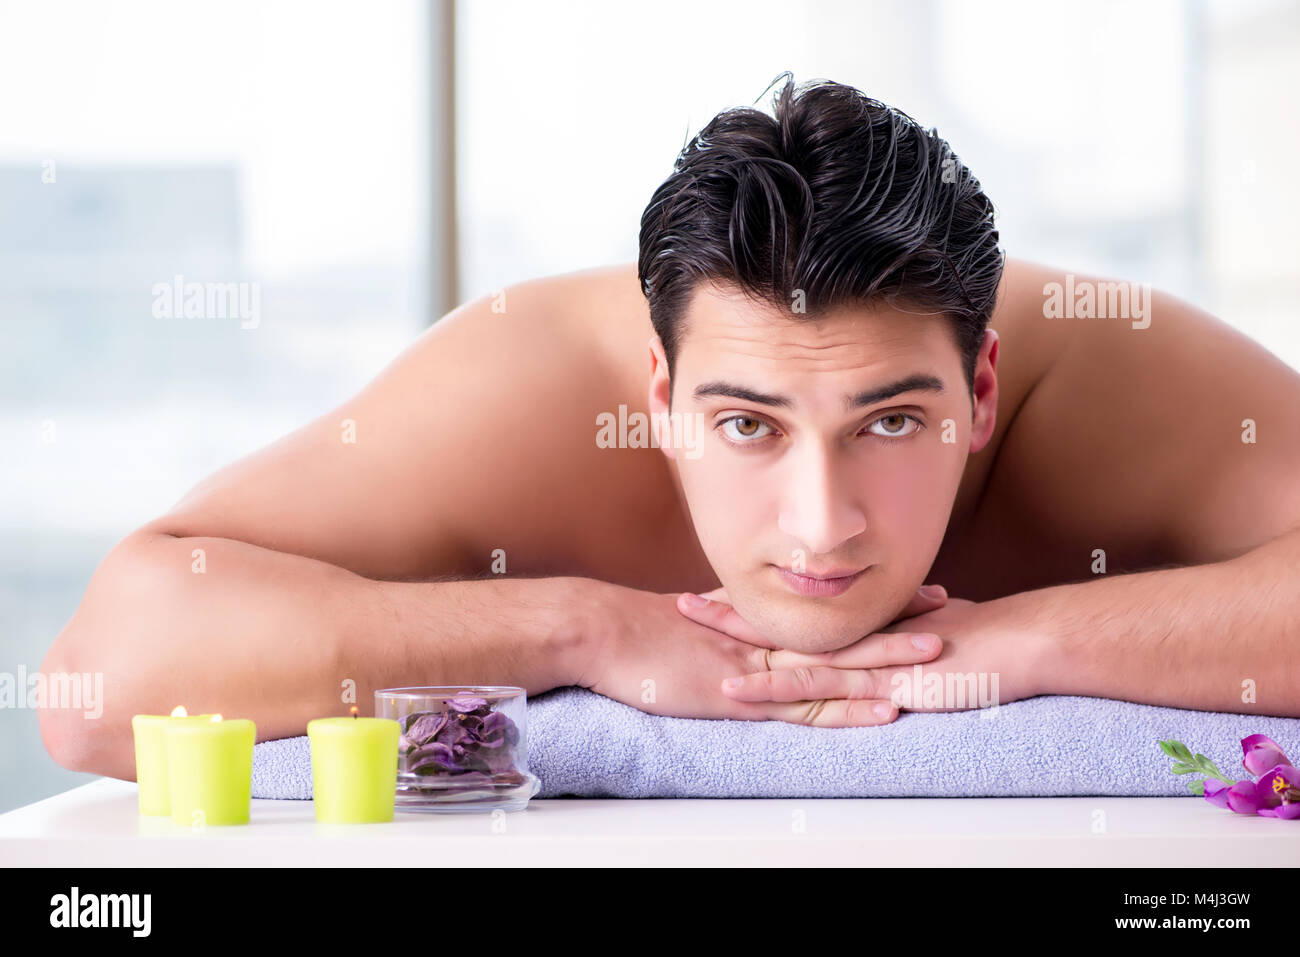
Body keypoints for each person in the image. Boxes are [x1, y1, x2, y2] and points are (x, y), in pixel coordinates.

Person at [41, 76, 1300, 781]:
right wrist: (580, 625)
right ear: (654, 395)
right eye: (748, 426)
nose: (823, 523)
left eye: (891, 420)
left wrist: (1023, 642)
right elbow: (103, 682)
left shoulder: (1107, 368)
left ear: (978, 389)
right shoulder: (519, 390)